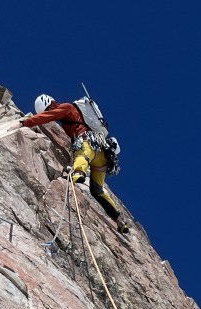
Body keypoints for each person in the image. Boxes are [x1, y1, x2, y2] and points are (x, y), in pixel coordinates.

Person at [20, 94, 130, 234]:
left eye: (48, 110)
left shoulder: (66, 107)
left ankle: (79, 173)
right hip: (102, 157)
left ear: (48, 105)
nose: (49, 113)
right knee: (97, 191)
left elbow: (49, 116)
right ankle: (120, 221)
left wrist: (26, 122)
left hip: (88, 144)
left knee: (81, 153)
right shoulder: (71, 115)